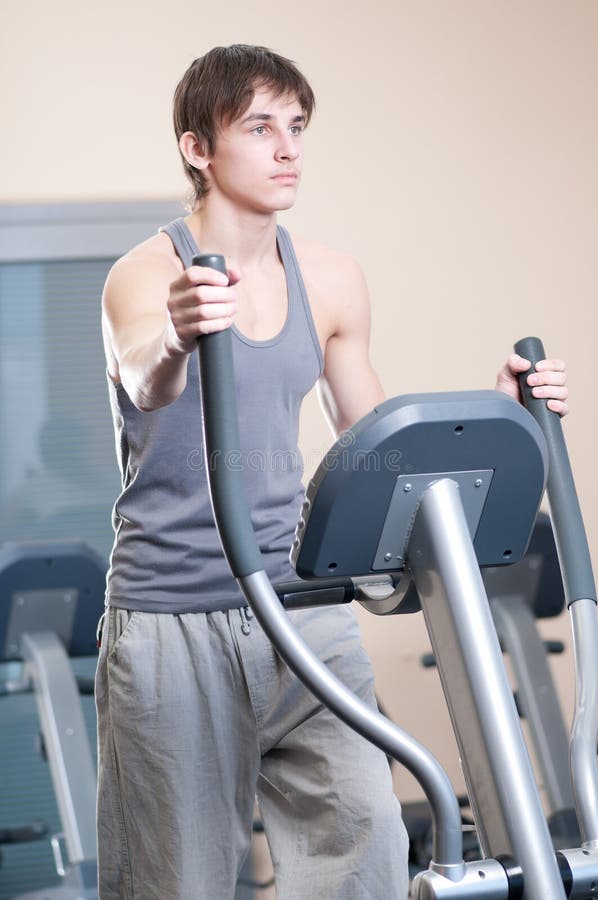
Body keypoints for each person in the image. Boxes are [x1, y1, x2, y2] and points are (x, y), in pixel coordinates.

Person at [96, 44, 569, 900]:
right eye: (260, 128)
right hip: (173, 620)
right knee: (177, 882)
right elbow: (142, 376)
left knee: (366, 847)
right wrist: (176, 333)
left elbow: (373, 443)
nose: (288, 149)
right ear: (198, 148)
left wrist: (496, 412)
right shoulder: (146, 275)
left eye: (297, 126)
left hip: (302, 608)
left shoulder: (331, 278)